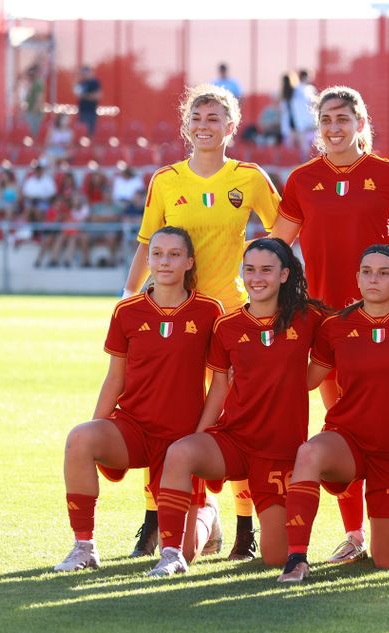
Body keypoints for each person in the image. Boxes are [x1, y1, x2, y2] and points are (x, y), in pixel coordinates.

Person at [123, 84, 282, 562]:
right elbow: (146, 244)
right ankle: (153, 520)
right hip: (171, 315)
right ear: (186, 125)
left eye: (214, 118)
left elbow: (281, 235)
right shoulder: (166, 180)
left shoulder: (249, 178)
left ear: (231, 127)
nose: (204, 126)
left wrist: (268, 283)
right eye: (197, 117)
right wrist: (128, 299)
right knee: (162, 416)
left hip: (232, 316)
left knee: (237, 420)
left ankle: (243, 528)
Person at [270, 85, 389, 564]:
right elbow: (278, 245)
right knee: (340, 420)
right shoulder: (302, 179)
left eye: (343, 118)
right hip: (328, 324)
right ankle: (354, 534)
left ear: (360, 123)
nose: (334, 128)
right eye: (326, 120)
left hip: (385, 322)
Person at [145, 238, 326, 575]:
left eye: (266, 270)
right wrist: (199, 436)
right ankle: (171, 554)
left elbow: (342, 337)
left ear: (284, 274)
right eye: (250, 270)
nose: (257, 278)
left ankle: (208, 517)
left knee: (275, 556)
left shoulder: (308, 317)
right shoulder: (226, 326)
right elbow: (219, 387)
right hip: (234, 439)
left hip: (278, 452)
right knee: (181, 452)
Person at [54, 226, 224, 572]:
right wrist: (97, 425)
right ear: (147, 260)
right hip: (134, 429)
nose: (165, 261)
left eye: (174, 254)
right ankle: (84, 547)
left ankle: (207, 515)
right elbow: (115, 378)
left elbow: (220, 382)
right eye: (157, 254)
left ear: (189, 262)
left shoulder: (209, 310)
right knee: (79, 439)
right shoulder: (127, 311)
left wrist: (201, 435)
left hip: (182, 439)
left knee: (183, 551)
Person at [278, 245, 389, 582]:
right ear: (357, 278)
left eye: (384, 273)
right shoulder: (336, 325)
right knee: (309, 452)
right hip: (349, 438)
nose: (374, 279)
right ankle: (296, 558)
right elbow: (307, 380)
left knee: (388, 560)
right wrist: (253, 373)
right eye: (367, 272)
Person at [75, 66, 102, 137]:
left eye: (85, 73)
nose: (84, 75)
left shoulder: (94, 83)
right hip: (82, 111)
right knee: (81, 132)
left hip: (91, 112)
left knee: (90, 132)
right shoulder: (81, 82)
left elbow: (97, 96)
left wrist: (84, 96)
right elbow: (76, 93)